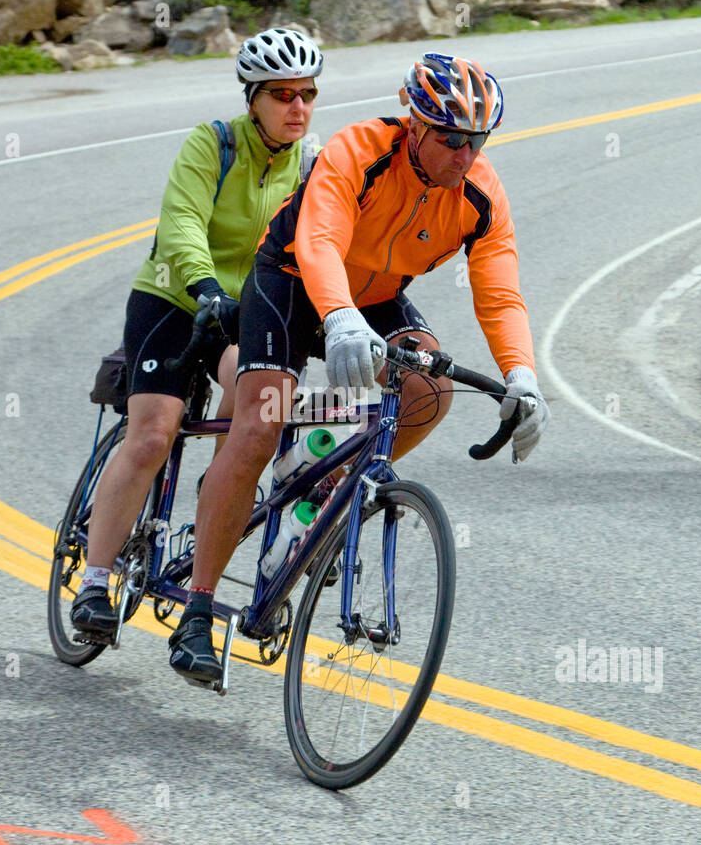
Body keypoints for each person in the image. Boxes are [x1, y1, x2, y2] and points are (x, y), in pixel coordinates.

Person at [168, 52, 551, 684]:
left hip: (374, 294)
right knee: (261, 423)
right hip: (291, 278)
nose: (465, 154)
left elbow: (500, 292)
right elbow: (318, 241)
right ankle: (198, 613)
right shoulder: (359, 150)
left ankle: (321, 492)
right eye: (451, 138)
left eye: (477, 140)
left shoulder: (479, 191)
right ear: (416, 127)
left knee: (429, 388)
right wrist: (339, 315)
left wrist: (523, 376)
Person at [70, 26, 324, 637]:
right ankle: (97, 580)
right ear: (252, 99)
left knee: (254, 413)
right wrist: (205, 287)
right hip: (174, 296)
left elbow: (320, 245)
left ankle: (216, 505)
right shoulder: (212, 144)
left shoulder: (314, 163)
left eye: (307, 94)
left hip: (250, 310)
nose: (297, 107)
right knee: (154, 433)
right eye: (282, 94)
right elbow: (181, 220)